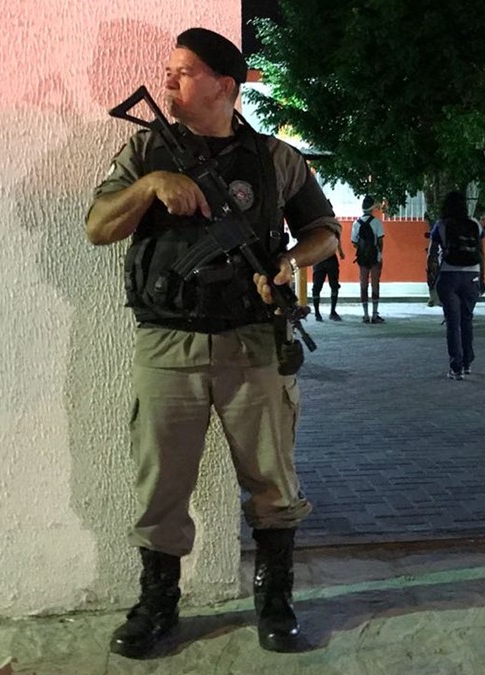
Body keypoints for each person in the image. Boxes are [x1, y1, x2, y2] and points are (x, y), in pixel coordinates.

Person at [84, 27, 339, 658]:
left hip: (252, 343)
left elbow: (326, 230)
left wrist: (288, 262)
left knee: (273, 481)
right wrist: (150, 187)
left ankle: (275, 600)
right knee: (161, 483)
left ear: (225, 86)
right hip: (167, 344)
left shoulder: (277, 160)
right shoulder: (146, 148)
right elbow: (97, 227)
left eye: (184, 71)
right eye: (168, 71)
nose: (169, 81)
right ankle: (157, 604)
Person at [429, 191, 484, 380]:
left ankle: (456, 367)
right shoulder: (475, 224)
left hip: (449, 276)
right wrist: (482, 278)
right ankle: (468, 363)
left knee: (453, 323)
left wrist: (431, 279)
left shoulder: (441, 225)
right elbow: (481, 252)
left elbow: (431, 255)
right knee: (467, 319)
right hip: (472, 276)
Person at [351, 196, 385, 323]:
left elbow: (354, 242)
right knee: (375, 284)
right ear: (372, 208)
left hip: (362, 258)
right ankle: (375, 315)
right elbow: (380, 240)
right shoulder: (377, 222)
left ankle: (365, 315)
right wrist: (379, 253)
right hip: (375, 257)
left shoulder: (356, 223)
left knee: (363, 285)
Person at [310, 238, 344, 321]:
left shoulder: (315, 228)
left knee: (318, 287)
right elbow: (337, 239)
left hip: (319, 259)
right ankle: (329, 312)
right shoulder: (331, 227)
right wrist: (340, 252)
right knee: (331, 286)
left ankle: (318, 314)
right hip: (328, 258)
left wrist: (340, 251)